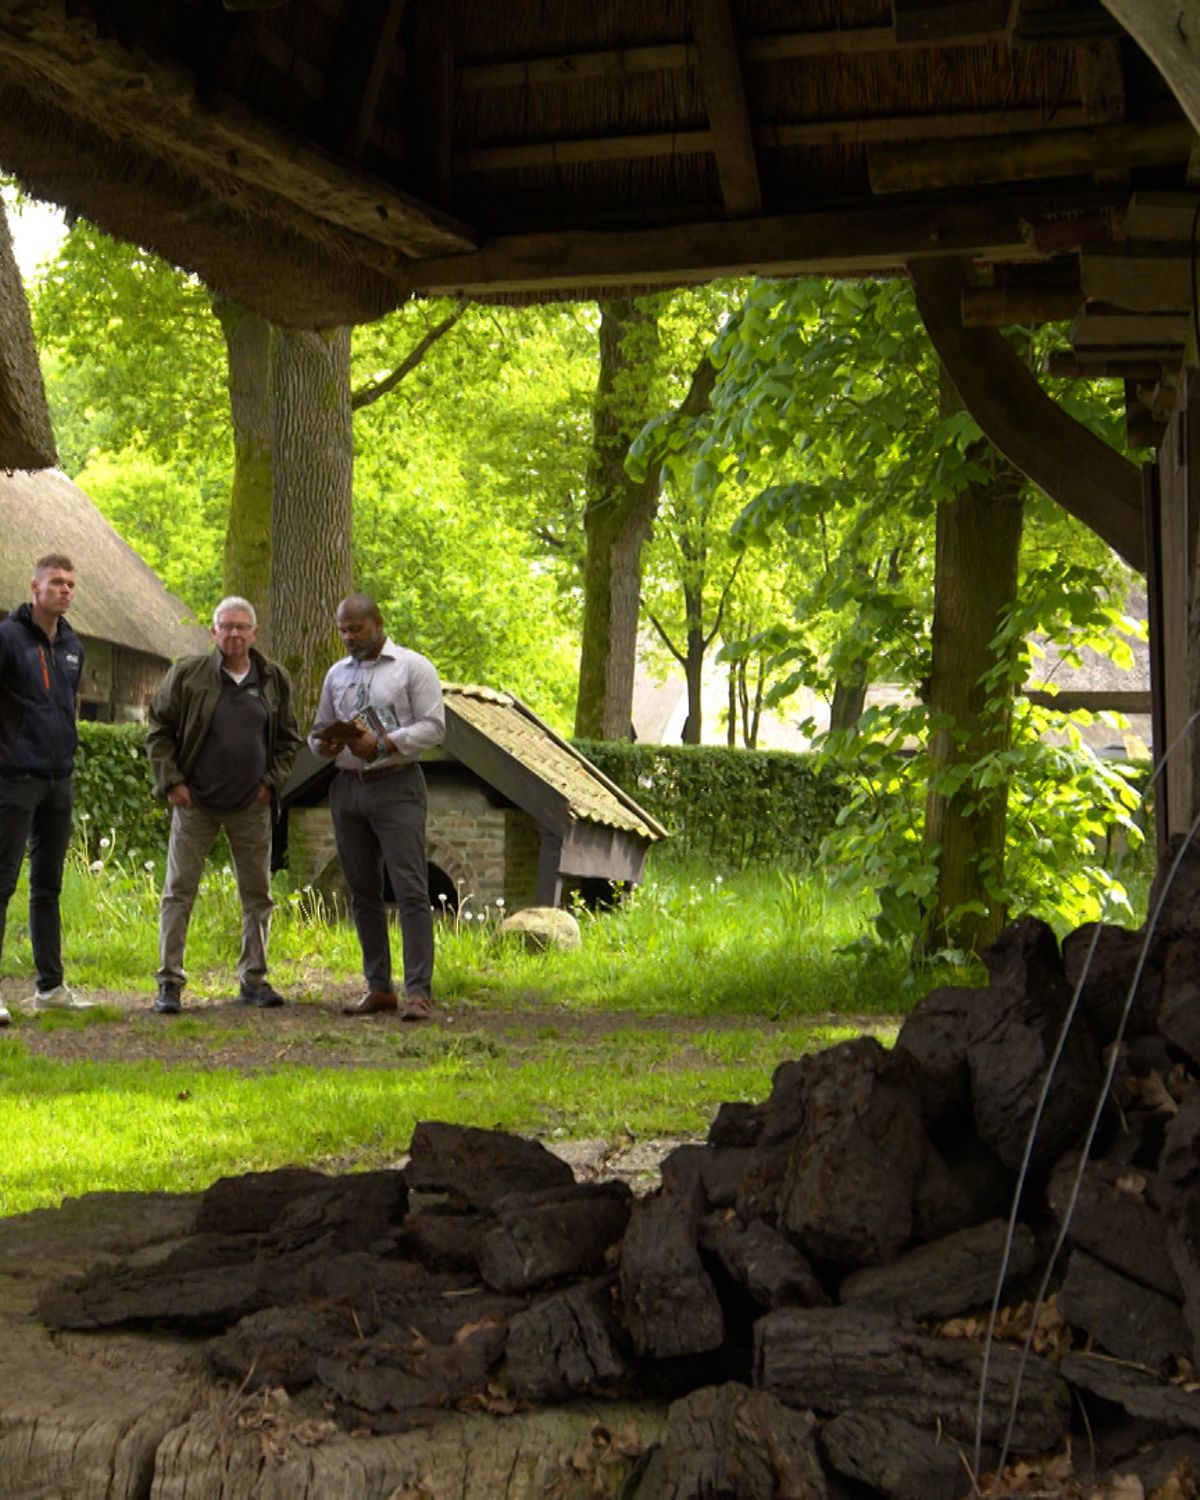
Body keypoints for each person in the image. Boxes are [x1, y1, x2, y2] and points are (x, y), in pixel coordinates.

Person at [147, 597, 301, 1014]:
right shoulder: (188, 674)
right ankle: (169, 982)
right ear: (213, 632)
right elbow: (159, 729)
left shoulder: (274, 680)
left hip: (251, 805)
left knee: (257, 895)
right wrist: (173, 782)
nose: (233, 634)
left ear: (254, 633)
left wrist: (270, 785)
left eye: (241, 627)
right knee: (178, 892)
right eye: (225, 626)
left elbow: (289, 740)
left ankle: (254, 979)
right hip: (194, 803)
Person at [310, 594, 444, 1020]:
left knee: (409, 889)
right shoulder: (336, 675)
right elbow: (317, 734)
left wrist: (386, 743)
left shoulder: (412, 667)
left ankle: (418, 992)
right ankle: (379, 986)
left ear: (378, 622)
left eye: (357, 628)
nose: (349, 637)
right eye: (343, 630)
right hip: (348, 787)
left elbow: (434, 727)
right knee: (362, 890)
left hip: (397, 784)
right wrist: (324, 744)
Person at [0, 554, 93, 1025]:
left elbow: (67, 708)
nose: (66, 590)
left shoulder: (73, 645)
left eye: (71, 584)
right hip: (14, 779)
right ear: (34, 588)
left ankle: (50, 988)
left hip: (59, 780)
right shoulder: (7, 639)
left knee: (48, 887)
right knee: (1, 883)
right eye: (57, 582)